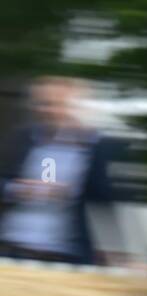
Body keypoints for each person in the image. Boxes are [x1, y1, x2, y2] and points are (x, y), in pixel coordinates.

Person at [0, 76, 124, 265]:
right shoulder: (21, 138)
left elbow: (106, 199)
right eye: (44, 104)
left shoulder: (95, 146)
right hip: (12, 251)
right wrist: (16, 189)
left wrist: (69, 190)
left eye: (59, 104)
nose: (51, 111)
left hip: (65, 258)